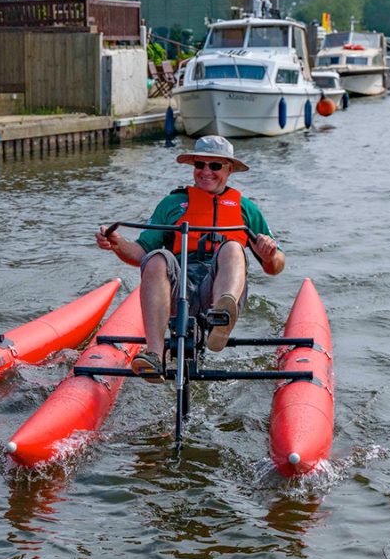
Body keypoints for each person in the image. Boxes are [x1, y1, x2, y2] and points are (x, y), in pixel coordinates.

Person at [94, 135, 284, 380]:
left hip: (219, 287)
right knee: (156, 257)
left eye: (215, 166)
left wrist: (268, 255)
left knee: (233, 247)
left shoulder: (246, 209)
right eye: (200, 165)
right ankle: (154, 354)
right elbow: (140, 252)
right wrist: (117, 244)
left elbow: (276, 266)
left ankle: (220, 317)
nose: (206, 172)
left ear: (229, 169)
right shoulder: (172, 203)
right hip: (180, 288)